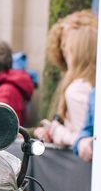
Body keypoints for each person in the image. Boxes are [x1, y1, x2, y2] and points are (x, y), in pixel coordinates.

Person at [35, 9, 96, 147]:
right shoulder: (91, 85)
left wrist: (58, 132)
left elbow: (86, 144)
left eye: (66, 49)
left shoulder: (77, 90)